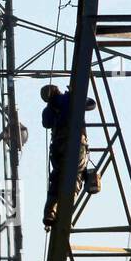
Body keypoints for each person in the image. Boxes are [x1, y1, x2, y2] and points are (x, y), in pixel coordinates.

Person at [40, 83, 95, 229]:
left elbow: (46, 123)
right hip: (77, 145)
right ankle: (65, 213)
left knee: (57, 178)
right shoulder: (69, 98)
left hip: (58, 147)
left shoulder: (48, 110)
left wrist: (53, 107)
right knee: (76, 176)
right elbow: (91, 105)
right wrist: (74, 94)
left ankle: (50, 211)